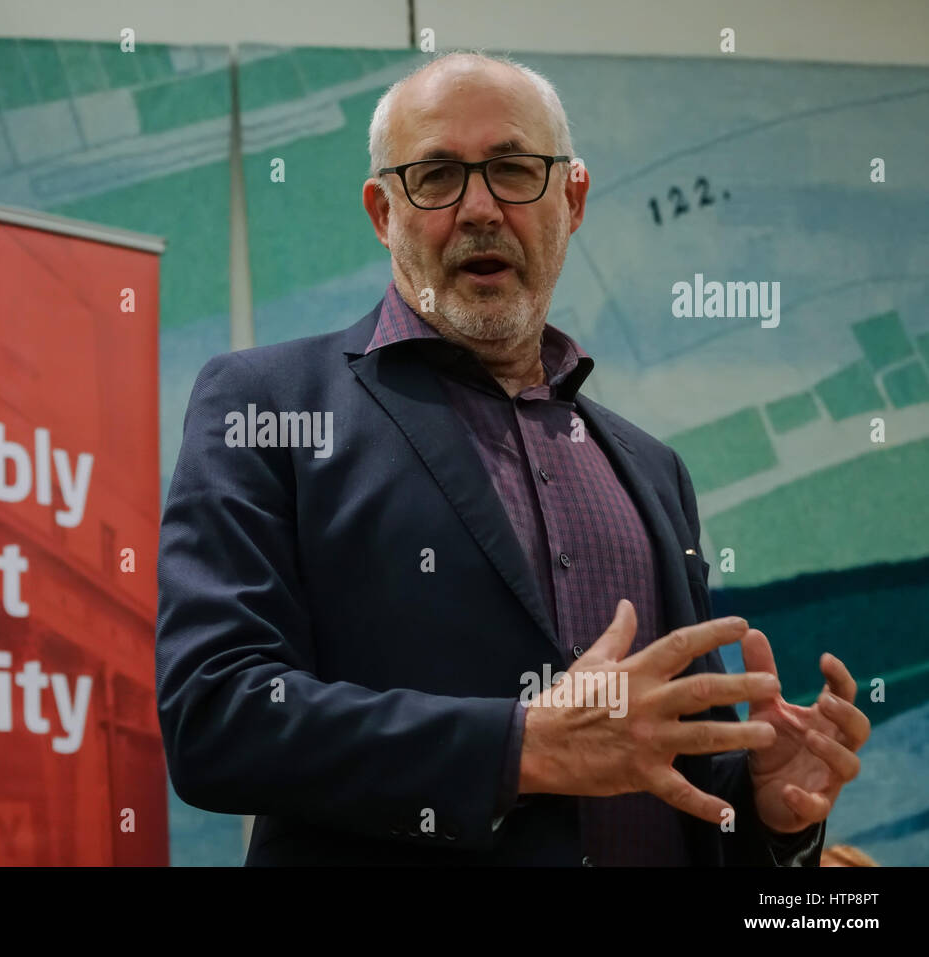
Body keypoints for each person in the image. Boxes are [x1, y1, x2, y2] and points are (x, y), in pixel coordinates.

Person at [155, 51, 870, 865]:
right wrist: (518, 748)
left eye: (512, 169)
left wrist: (767, 811)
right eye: (435, 176)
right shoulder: (269, 404)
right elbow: (215, 715)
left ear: (573, 198)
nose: (480, 207)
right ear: (382, 213)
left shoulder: (654, 469)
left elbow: (678, 778)